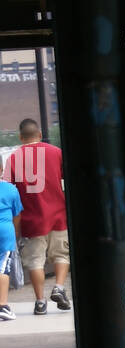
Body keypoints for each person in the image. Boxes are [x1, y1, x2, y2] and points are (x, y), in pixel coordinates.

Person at [2, 118, 71, 314]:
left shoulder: (13, 158)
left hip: (31, 218)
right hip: (58, 214)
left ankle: (40, 301)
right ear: (40, 135)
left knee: (35, 261)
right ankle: (59, 287)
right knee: (62, 254)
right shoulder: (56, 152)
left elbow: (7, 187)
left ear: (20, 137)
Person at [0, 175, 22, 322]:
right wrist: (15, 232)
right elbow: (17, 215)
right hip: (4, 232)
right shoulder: (11, 189)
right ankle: (2, 306)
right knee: (2, 268)